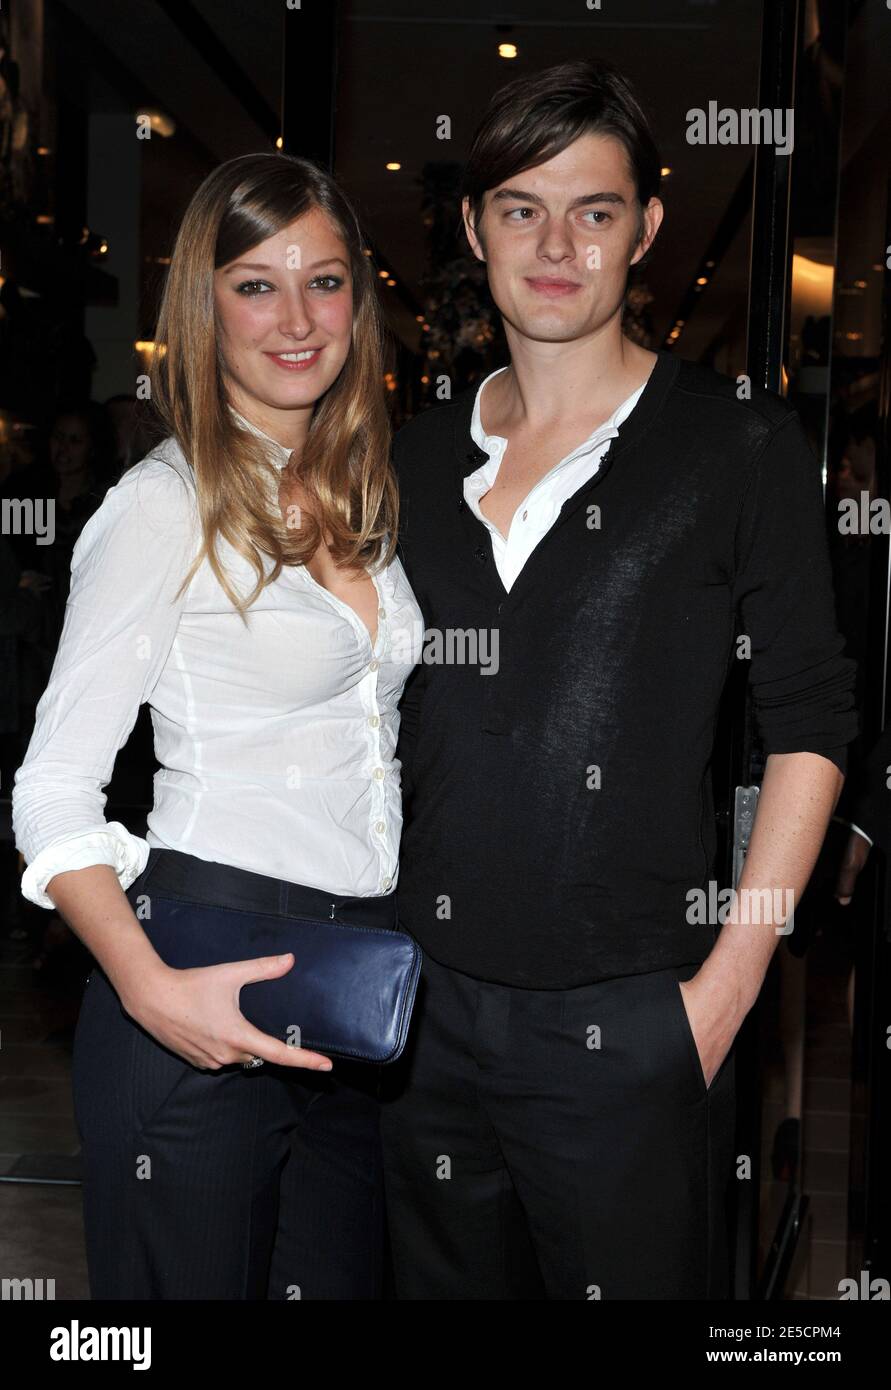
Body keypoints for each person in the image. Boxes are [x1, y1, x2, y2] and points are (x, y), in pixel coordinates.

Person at [379, 59, 858, 1300]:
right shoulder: (410, 456)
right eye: (521, 207)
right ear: (476, 226)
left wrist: (728, 989)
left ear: (643, 230)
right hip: (414, 1020)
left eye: (593, 210)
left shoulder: (737, 445)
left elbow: (812, 722)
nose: (556, 243)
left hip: (633, 1024)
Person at [12, 151, 423, 1300]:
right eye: (255, 283)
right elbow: (49, 790)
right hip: (199, 972)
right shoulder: (158, 506)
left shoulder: (358, 494)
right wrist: (151, 991)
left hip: (348, 1003)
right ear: (203, 306)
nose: (296, 318)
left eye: (325, 280)